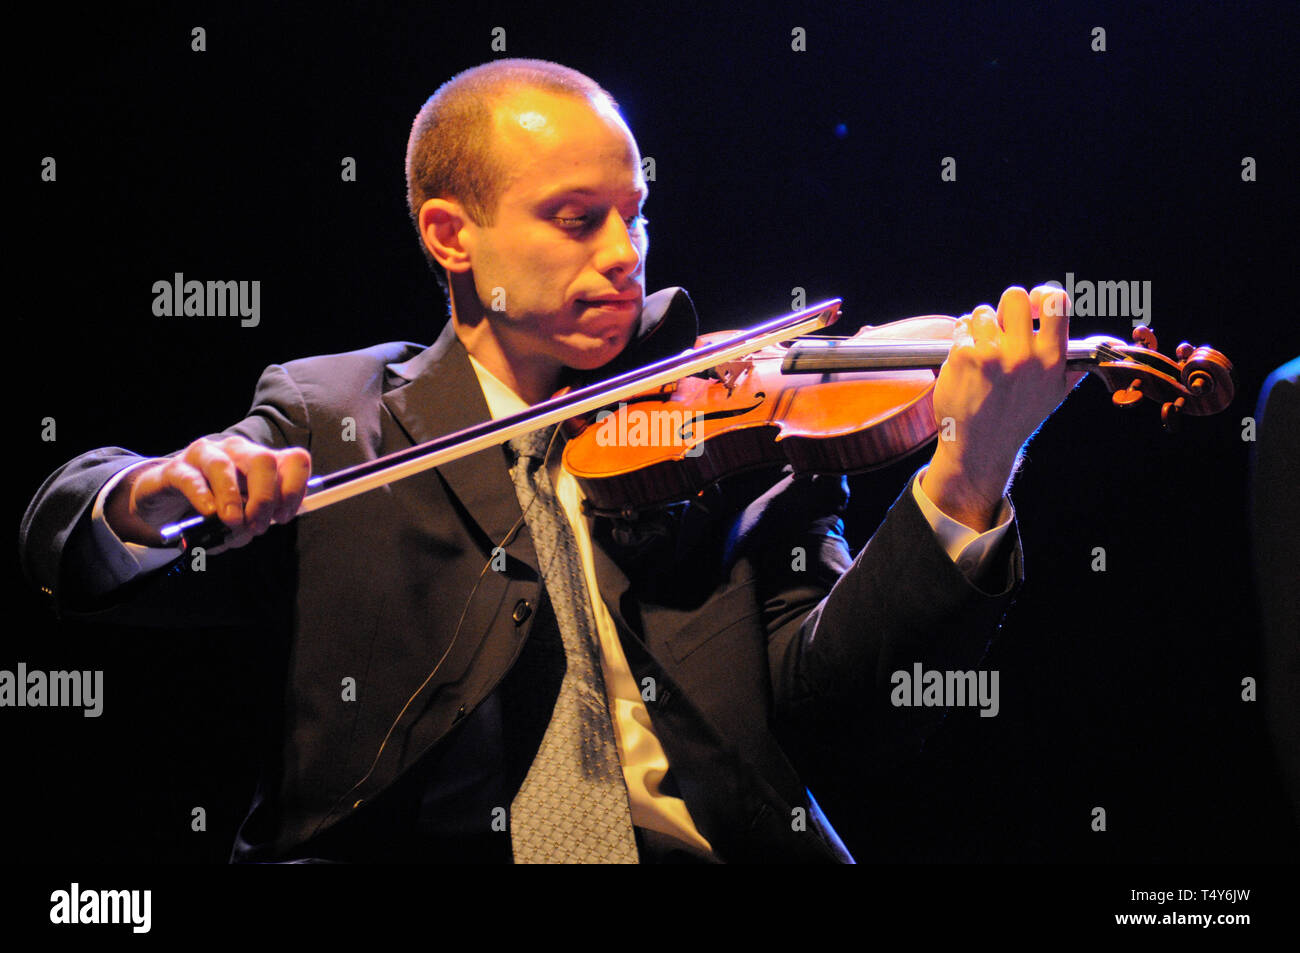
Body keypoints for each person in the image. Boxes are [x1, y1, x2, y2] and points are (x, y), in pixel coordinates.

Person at [19, 59, 1076, 863]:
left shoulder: (730, 426)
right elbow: (72, 538)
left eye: (635, 216)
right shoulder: (334, 412)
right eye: (577, 221)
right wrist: (155, 494)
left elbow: (835, 698)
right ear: (452, 236)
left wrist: (969, 471)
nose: (624, 255)